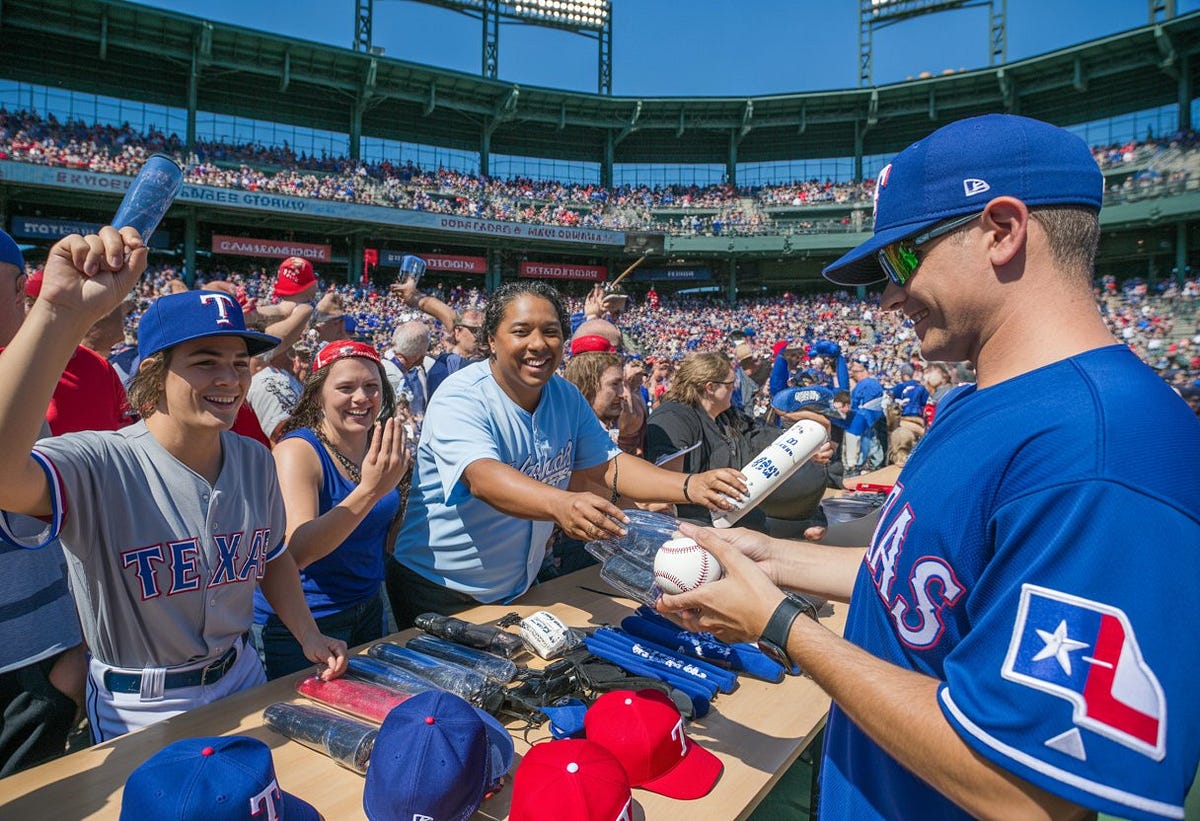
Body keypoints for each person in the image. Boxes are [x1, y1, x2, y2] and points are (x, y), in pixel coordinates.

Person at [656, 114, 1200, 819]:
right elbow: (927, 586)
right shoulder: (982, 398)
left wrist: (781, 623)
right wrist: (763, 553)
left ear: (1002, 229)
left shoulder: (1104, 447)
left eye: (902, 261)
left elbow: (1027, 793)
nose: (886, 295)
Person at [0, 227, 348, 742]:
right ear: (153, 373)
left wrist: (307, 633)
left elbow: (271, 557)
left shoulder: (254, 458)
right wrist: (55, 312)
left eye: (238, 362)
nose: (229, 378)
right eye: (205, 362)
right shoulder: (100, 460)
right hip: (142, 702)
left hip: (243, 674)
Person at [386, 281, 748, 629]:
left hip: (518, 586)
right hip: (440, 589)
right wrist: (562, 505)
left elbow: (610, 465)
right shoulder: (461, 396)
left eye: (551, 331)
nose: (538, 344)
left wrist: (690, 485)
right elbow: (484, 479)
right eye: (521, 331)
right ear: (492, 340)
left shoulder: (565, 395)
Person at [254, 340, 409, 679]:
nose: (361, 398)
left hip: (368, 606)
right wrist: (369, 491)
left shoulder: (376, 443)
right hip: (305, 624)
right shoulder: (298, 451)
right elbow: (296, 550)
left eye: (371, 386)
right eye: (345, 387)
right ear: (316, 395)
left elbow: (382, 531)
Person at [644, 352, 763, 530]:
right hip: (697, 527)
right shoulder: (673, 418)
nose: (735, 388)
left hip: (732, 518)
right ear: (710, 387)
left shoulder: (725, 417)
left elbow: (760, 434)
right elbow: (662, 491)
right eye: (731, 384)